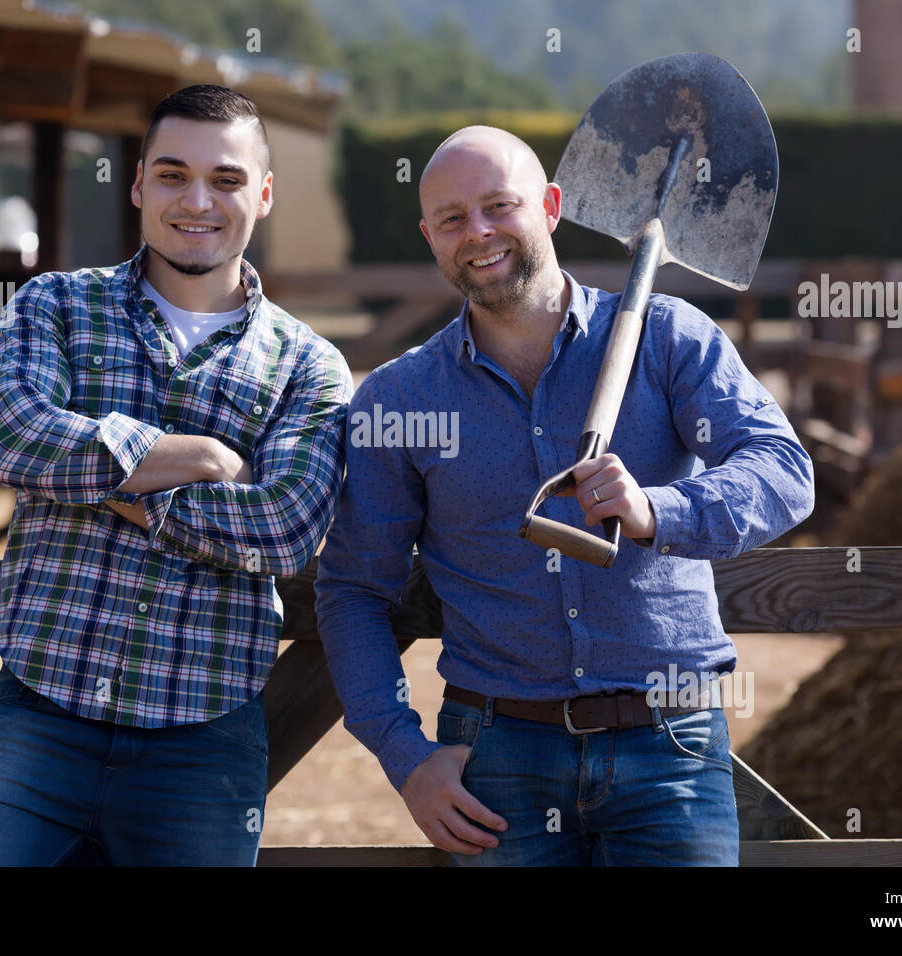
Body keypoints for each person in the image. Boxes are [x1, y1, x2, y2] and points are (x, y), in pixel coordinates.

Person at [314, 125, 813, 866]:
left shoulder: (668, 339)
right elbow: (354, 588)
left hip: (671, 745)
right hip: (497, 760)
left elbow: (783, 469)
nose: (477, 232)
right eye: (453, 219)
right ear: (430, 237)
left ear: (550, 205)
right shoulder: (401, 398)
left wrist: (658, 511)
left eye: (498, 206)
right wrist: (405, 756)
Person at [0, 85, 353, 866]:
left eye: (224, 179)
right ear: (138, 183)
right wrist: (208, 460)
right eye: (172, 174)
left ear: (264, 192)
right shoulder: (54, 304)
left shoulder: (308, 367)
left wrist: (125, 497)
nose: (197, 200)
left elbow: (286, 527)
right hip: (39, 715)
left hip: (204, 744)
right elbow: (13, 440)